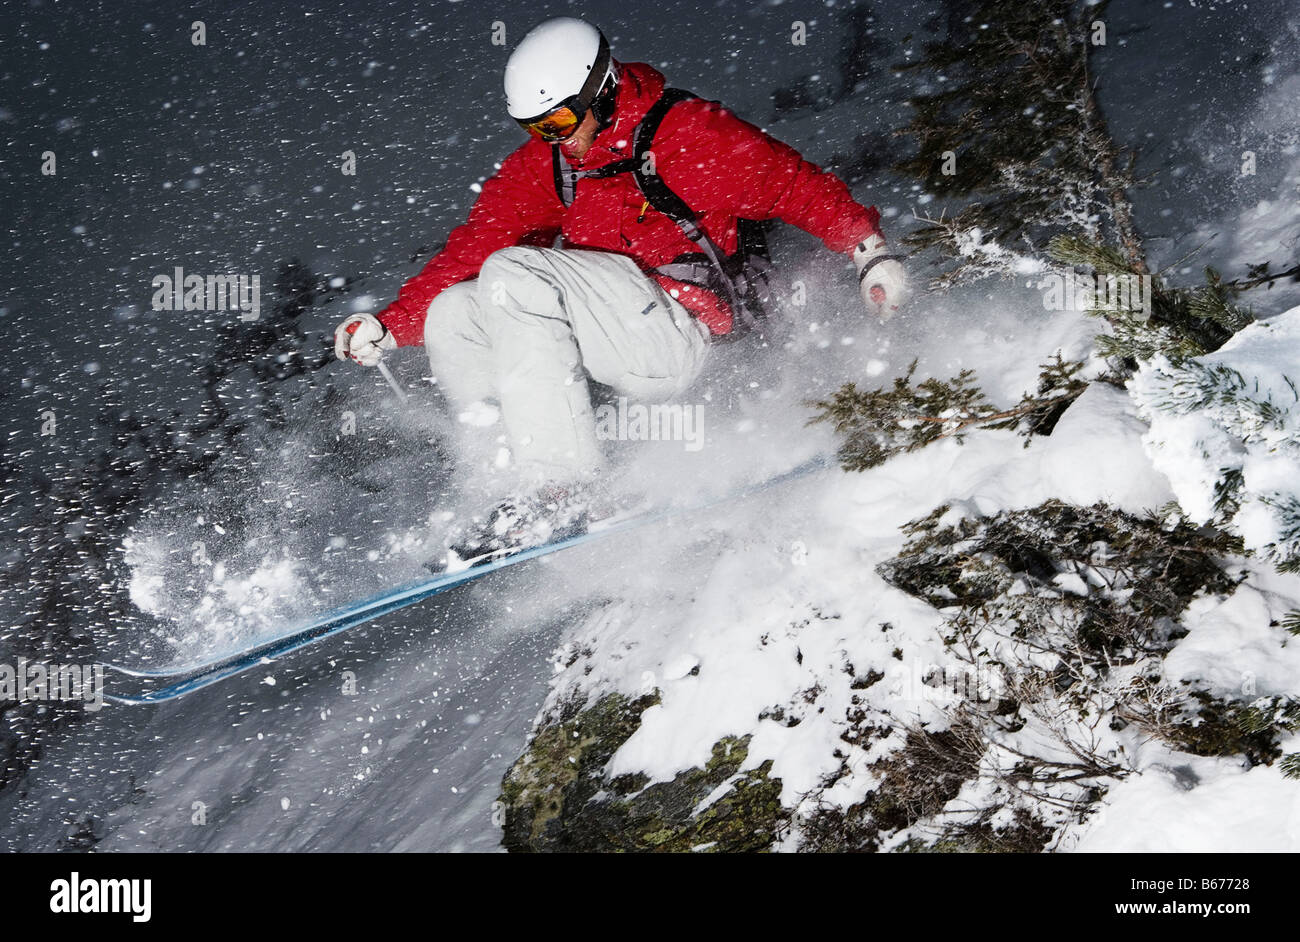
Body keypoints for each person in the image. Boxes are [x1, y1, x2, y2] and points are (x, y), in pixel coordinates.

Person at [335, 16, 908, 565]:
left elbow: (791, 185)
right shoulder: (554, 162)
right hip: (617, 342)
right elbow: (474, 245)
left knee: (514, 273)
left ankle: (561, 488)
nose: (553, 141)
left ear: (601, 91)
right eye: (534, 128)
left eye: (557, 124)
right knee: (454, 310)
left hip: (683, 333)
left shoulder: (683, 135)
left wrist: (868, 253)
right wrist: (393, 324)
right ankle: (508, 487)